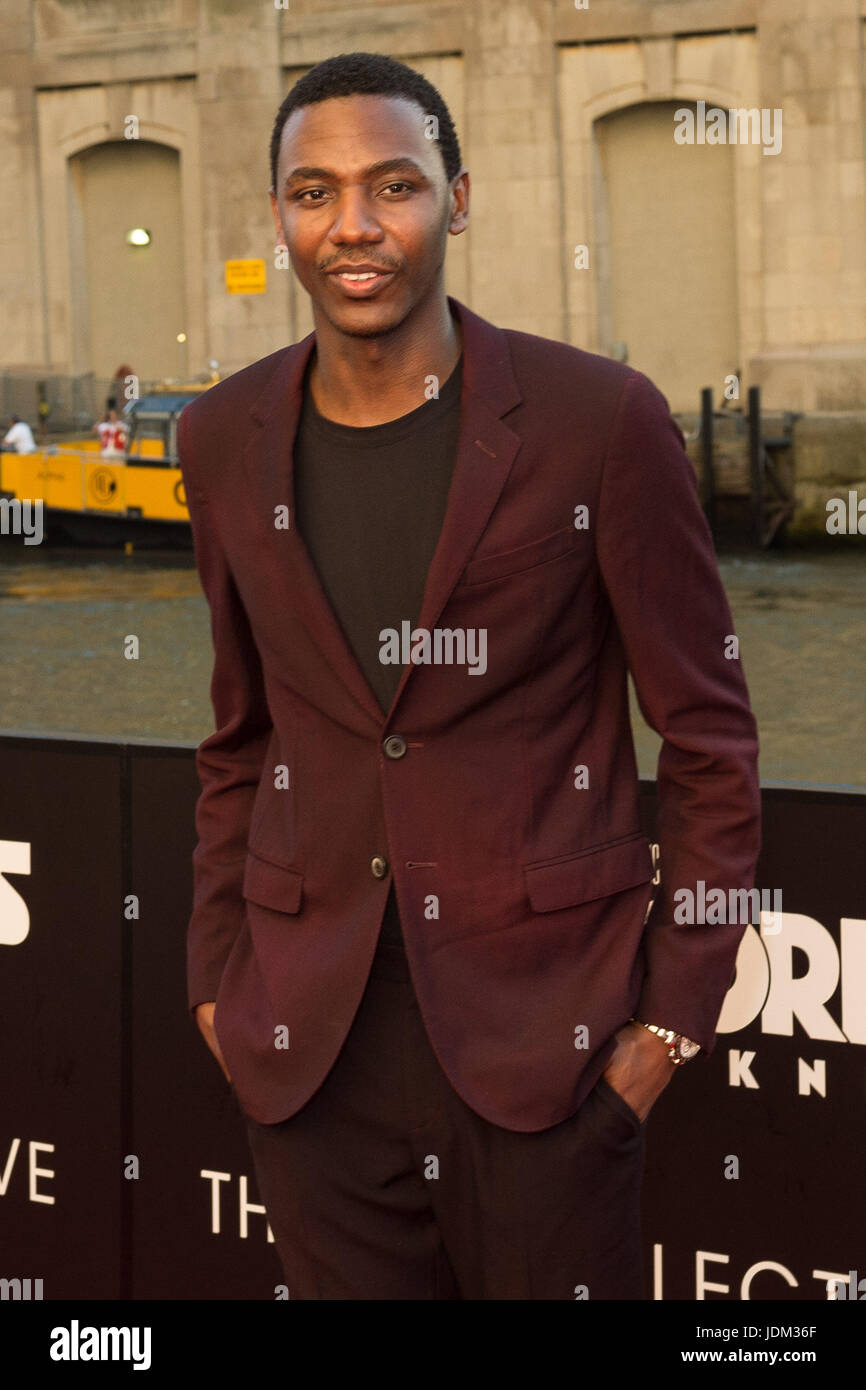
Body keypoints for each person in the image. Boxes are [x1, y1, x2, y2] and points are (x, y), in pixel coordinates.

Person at [178, 52, 761, 1301]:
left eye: (392, 185)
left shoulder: (597, 421)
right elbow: (241, 732)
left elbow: (708, 736)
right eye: (313, 190)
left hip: (547, 1059)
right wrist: (216, 986)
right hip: (304, 1051)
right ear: (277, 213)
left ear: (457, 197)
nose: (353, 225)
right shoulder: (218, 436)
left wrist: (667, 1026)